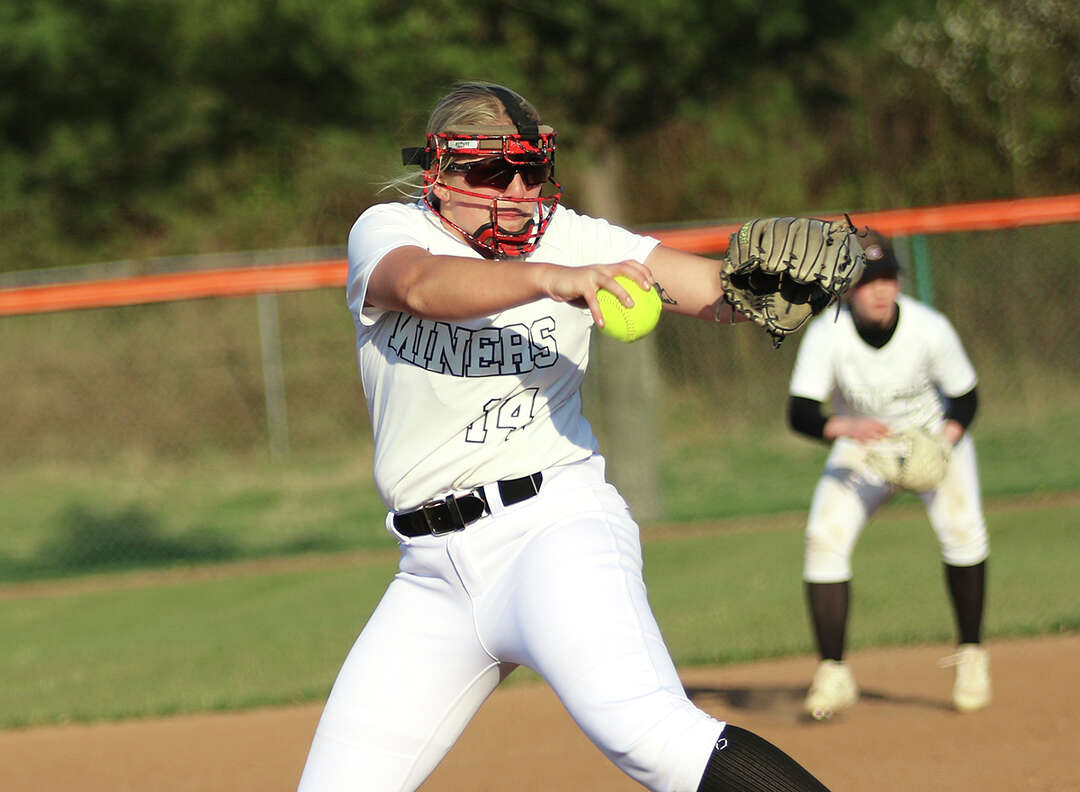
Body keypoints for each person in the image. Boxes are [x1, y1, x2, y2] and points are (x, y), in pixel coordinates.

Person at [297, 81, 837, 792]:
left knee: (649, 734)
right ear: (438, 174)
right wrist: (556, 279)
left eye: (530, 170)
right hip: (430, 572)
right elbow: (424, 287)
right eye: (491, 171)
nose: (516, 188)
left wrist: (777, 280)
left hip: (553, 530)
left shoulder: (573, 236)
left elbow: (707, 290)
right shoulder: (391, 231)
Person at [785, 229, 991, 721]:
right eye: (867, 280)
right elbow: (800, 411)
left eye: (888, 278)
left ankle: (972, 657)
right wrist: (844, 426)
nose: (880, 289)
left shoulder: (929, 328)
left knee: (962, 531)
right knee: (823, 540)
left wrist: (945, 439)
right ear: (848, 288)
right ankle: (834, 674)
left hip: (930, 441)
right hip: (864, 447)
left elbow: (966, 396)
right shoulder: (826, 335)